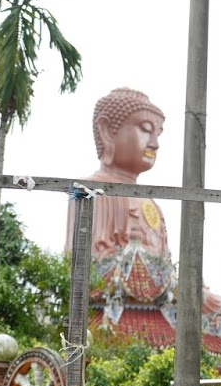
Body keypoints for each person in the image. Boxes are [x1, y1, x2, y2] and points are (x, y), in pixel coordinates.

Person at [67, 87, 171, 259]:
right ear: (106, 131)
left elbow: (165, 263)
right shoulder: (92, 190)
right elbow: (87, 260)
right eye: (145, 129)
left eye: (158, 134)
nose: (155, 144)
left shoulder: (152, 204)